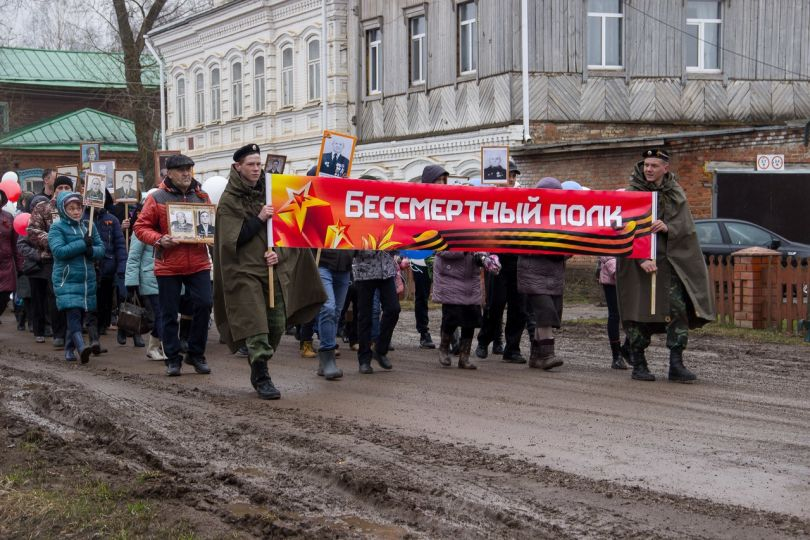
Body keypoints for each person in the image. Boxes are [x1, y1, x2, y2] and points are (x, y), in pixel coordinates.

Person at [213, 143, 325, 399]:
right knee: (256, 326)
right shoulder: (230, 199)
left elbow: (285, 229)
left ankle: (258, 363)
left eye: (258, 164)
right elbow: (233, 240)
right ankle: (262, 375)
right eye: (250, 164)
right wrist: (259, 218)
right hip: (244, 272)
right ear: (237, 167)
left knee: (275, 325)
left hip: (271, 268)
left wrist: (279, 254)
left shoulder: (272, 192)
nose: (255, 169)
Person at [616, 148, 715, 383]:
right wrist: (641, 258)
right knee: (638, 312)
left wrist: (669, 228)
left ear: (665, 168)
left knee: (677, 310)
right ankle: (638, 362)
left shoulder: (675, 193)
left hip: (668, 265)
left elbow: (688, 229)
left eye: (654, 165)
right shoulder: (631, 193)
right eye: (646, 165)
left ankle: (676, 364)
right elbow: (621, 230)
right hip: (637, 265)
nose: (649, 169)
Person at [133, 154, 214, 376]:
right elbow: (140, 227)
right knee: (169, 313)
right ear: (169, 173)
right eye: (181, 170)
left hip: (198, 262)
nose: (187, 173)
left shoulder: (201, 196)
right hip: (168, 264)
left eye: (189, 169)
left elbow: (211, 227)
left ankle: (196, 354)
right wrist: (159, 239)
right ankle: (173, 358)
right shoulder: (157, 197)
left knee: (205, 305)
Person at [476, 158, 528, 363]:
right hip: (497, 260)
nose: (512, 179)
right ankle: (483, 341)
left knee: (519, 307)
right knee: (494, 305)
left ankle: (512, 348)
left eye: (514, 176)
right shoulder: (490, 198)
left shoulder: (524, 199)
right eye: (509, 175)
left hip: (518, 259)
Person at [48, 191, 105, 363]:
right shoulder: (56, 227)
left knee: (79, 315)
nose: (76, 211)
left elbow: (101, 249)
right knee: (73, 313)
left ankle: (68, 349)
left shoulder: (88, 226)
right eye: (71, 208)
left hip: (86, 279)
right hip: (67, 277)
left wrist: (91, 250)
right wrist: (82, 244)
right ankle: (81, 347)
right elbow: (59, 251)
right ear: (63, 209)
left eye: (78, 208)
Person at [517, 177, 568, 370]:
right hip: (532, 274)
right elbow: (521, 244)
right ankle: (548, 355)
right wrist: (549, 247)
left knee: (546, 315)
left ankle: (535, 356)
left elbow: (570, 244)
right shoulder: (526, 216)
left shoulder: (563, 217)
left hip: (554, 274)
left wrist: (563, 251)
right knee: (545, 312)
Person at [27, 176, 75, 347]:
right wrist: (54, 241)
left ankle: (74, 332)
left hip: (74, 257)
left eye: (66, 187)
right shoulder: (44, 207)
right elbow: (32, 230)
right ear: (54, 190)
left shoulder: (77, 207)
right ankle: (59, 333)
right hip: (52, 258)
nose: (63, 190)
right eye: (60, 187)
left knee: (73, 295)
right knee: (55, 295)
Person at [433, 249, 500, 369]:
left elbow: (484, 251)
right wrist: (463, 251)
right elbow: (440, 252)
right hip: (451, 279)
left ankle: (464, 357)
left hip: (471, 282)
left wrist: (482, 257)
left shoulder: (476, 235)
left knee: (471, 320)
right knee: (451, 318)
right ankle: (444, 349)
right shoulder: (448, 233)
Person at [125, 202, 166, 361]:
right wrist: (131, 283)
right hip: (150, 278)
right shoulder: (141, 229)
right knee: (160, 314)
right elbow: (134, 257)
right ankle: (163, 347)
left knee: (165, 314)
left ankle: (155, 347)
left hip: (166, 277)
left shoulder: (166, 227)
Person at [0, 186, 23, 320]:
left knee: (4, 296)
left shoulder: (8, 217)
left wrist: (20, 266)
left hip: (6, 265)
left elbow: (15, 244)